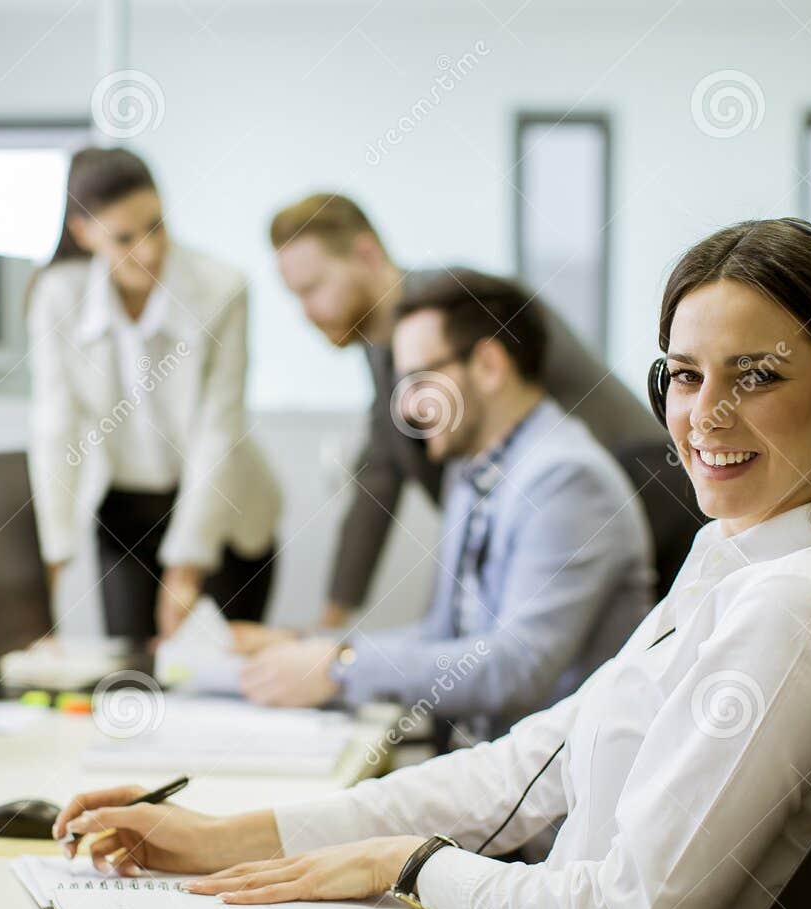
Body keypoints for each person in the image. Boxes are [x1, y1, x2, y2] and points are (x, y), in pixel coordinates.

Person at [53, 219, 811, 909]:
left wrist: (408, 864)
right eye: (685, 375)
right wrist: (227, 837)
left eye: (755, 375)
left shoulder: (802, 608)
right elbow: (527, 763)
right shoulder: (736, 553)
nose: (705, 416)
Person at [237, 268, 653, 743]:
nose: (406, 409)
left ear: (489, 365)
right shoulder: (472, 470)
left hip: (551, 792)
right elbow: (445, 636)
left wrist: (341, 667)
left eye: (418, 381)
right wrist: (319, 650)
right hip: (482, 765)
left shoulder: (568, 478)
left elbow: (517, 668)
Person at [268, 193, 659, 629]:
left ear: (366, 253)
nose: (306, 312)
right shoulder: (386, 351)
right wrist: (331, 625)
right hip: (575, 516)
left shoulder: (453, 310)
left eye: (312, 288)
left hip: (642, 492)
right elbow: (379, 474)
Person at [27, 147, 280, 641]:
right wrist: (52, 558)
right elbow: (56, 429)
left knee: (216, 681)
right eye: (124, 237)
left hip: (225, 513)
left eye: (156, 227)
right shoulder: (57, 295)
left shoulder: (223, 288)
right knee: (133, 679)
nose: (147, 251)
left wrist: (187, 566)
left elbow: (218, 428)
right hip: (126, 512)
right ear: (83, 232)